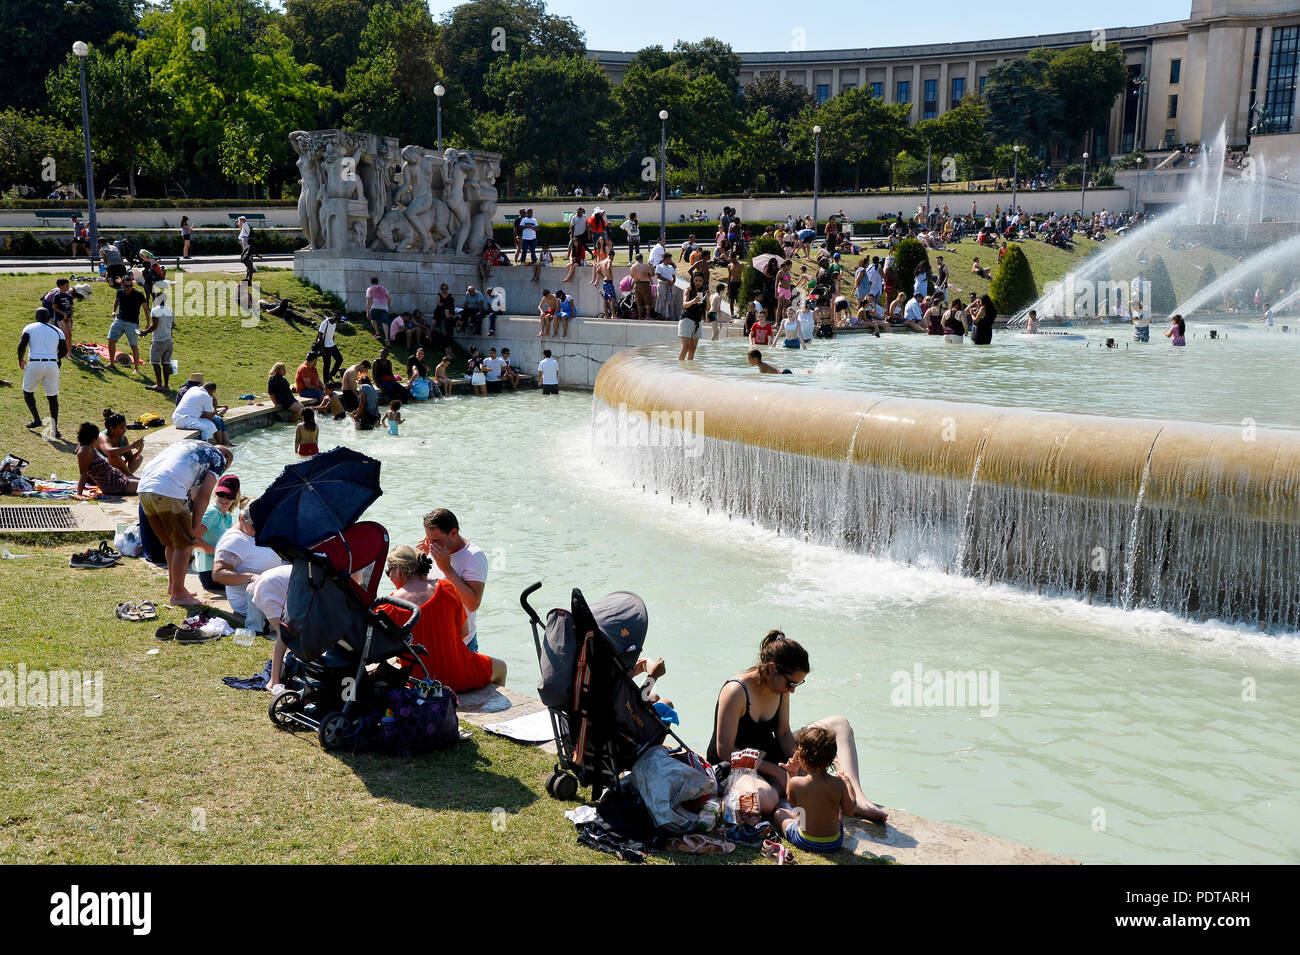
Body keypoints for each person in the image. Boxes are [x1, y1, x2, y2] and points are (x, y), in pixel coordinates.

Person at [708, 631, 887, 823]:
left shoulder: (781, 689)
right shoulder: (736, 691)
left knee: (839, 725)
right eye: (791, 683)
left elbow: (783, 733)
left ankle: (856, 797)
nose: (793, 689)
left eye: (798, 684)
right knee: (764, 800)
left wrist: (802, 763)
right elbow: (724, 750)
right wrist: (776, 771)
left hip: (769, 753)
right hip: (735, 764)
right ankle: (776, 789)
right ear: (772, 668)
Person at [380, 547, 506, 693]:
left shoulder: (388, 606)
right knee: (501, 667)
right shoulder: (446, 588)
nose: (389, 577)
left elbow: (384, 647)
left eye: (388, 572)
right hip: (459, 677)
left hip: (420, 683)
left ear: (399, 570)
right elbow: (464, 632)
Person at [137, 440, 234, 607]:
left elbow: (192, 489)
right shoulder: (219, 458)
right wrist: (194, 528)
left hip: (145, 488)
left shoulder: (193, 446)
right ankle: (179, 594)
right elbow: (204, 495)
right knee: (185, 544)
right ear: (226, 459)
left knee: (171, 543)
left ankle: (174, 587)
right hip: (168, 489)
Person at [773, 725, 860, 854]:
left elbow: (793, 803)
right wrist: (848, 784)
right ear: (831, 758)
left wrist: (791, 773)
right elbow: (850, 810)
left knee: (779, 813)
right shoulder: (839, 784)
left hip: (804, 841)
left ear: (802, 758)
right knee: (837, 813)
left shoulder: (796, 782)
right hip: (833, 843)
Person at [415, 509, 488, 652]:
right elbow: (424, 589)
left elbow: (473, 604)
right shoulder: (433, 549)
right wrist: (421, 560)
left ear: (453, 533)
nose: (431, 545)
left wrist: (447, 568)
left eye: (436, 540)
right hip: (433, 639)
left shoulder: (473, 556)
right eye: (429, 539)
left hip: (461, 643)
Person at [213, 502, 284, 626]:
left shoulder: (252, 531)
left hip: (271, 593)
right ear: (242, 519)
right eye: (256, 525)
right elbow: (218, 574)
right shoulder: (234, 540)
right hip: (252, 602)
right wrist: (252, 577)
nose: (261, 529)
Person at [17, 306, 67, 437]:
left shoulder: (29, 327)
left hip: (35, 363)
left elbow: (22, 345)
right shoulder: (57, 330)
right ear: (49, 317)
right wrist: (55, 358)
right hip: (52, 365)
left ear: (36, 317)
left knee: (27, 392)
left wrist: (21, 360)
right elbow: (64, 351)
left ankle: (37, 419)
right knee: (52, 397)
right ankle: (54, 429)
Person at [192, 474, 239, 594]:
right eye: (221, 494)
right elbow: (192, 540)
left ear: (235, 498)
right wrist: (218, 553)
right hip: (209, 573)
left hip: (221, 568)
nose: (224, 499)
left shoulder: (228, 517)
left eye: (229, 496)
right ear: (215, 493)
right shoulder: (212, 512)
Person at [75, 422, 138, 497]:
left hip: (117, 478)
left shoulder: (87, 446)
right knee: (146, 486)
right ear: (93, 438)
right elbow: (83, 473)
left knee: (146, 482)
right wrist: (79, 494)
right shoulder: (84, 450)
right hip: (114, 484)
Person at [173, 373, 229, 445]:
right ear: (212, 391)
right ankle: (206, 446)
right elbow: (209, 417)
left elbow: (206, 416)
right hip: (185, 421)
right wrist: (214, 407)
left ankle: (215, 445)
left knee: (211, 425)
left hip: (178, 417)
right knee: (207, 428)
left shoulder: (193, 389)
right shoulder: (206, 396)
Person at [141, 280, 176, 392]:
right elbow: (171, 327)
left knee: (155, 362)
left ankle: (159, 384)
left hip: (159, 340)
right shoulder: (170, 311)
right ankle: (166, 385)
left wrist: (145, 332)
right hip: (168, 340)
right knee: (166, 363)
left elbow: (155, 325)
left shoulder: (155, 310)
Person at [107, 275, 147, 371]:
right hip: (119, 320)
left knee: (133, 346)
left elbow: (146, 309)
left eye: (130, 285)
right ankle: (111, 364)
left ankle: (136, 368)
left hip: (132, 324)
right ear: (122, 285)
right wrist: (113, 311)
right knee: (111, 340)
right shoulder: (120, 292)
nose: (129, 288)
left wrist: (148, 323)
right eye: (126, 286)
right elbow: (116, 301)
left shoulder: (139, 295)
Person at [99, 409, 144, 474]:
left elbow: (129, 459)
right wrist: (132, 446)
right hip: (99, 470)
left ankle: (126, 476)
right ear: (111, 428)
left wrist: (140, 450)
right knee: (115, 457)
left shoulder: (123, 439)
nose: (125, 430)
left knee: (139, 457)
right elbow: (110, 452)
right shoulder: (102, 436)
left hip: (112, 469)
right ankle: (129, 477)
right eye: (122, 428)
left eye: (125, 427)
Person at [678, 273, 707, 360]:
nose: (698, 282)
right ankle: (680, 366)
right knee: (685, 347)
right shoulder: (688, 291)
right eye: (696, 280)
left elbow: (706, 308)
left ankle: (689, 367)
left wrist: (708, 299)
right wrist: (693, 301)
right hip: (686, 319)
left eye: (700, 281)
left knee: (692, 349)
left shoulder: (701, 293)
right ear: (692, 280)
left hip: (697, 321)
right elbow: (684, 304)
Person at [366, 276, 391, 342]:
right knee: (384, 323)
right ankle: (386, 338)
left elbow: (368, 301)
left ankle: (377, 333)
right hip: (384, 307)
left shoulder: (369, 289)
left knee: (373, 319)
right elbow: (389, 298)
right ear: (377, 282)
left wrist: (367, 312)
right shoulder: (383, 288)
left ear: (371, 282)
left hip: (375, 306)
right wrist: (388, 307)